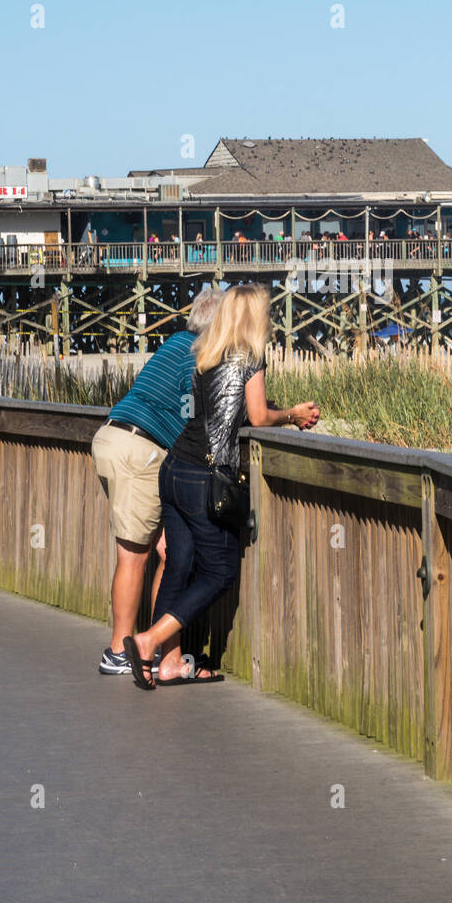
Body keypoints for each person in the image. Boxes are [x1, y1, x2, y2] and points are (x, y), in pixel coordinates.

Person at [124, 284, 320, 689]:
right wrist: (293, 414)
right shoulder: (250, 356)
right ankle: (149, 641)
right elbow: (258, 415)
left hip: (174, 469)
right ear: (255, 316)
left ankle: (170, 663)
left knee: (179, 565)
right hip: (204, 479)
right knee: (221, 572)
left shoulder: (204, 352)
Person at [91, 289, 220, 675]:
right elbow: (192, 410)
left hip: (113, 436)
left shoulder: (176, 341)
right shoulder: (199, 354)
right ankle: (118, 652)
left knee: (165, 549)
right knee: (135, 554)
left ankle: (166, 656)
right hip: (141, 449)